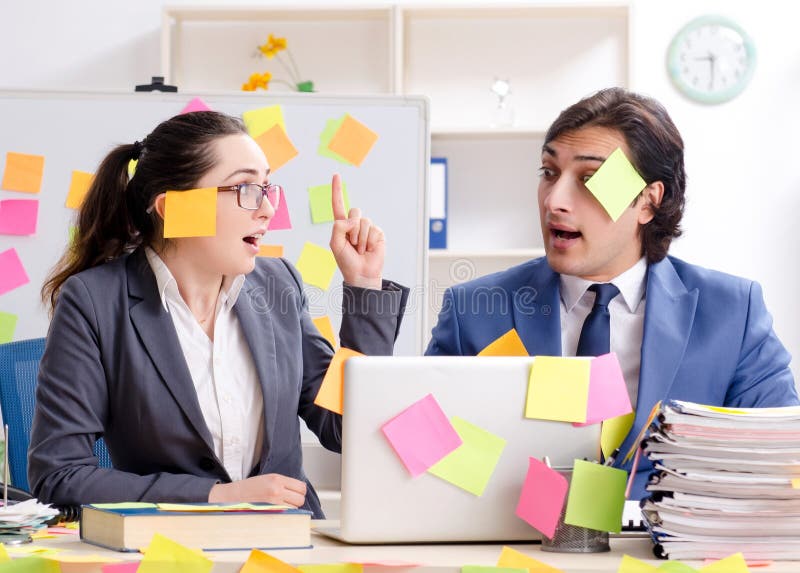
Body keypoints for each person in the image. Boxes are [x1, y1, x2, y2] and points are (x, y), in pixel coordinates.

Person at [28, 111, 408, 518]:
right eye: (245, 188)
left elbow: (343, 427)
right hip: (171, 551)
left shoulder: (278, 284)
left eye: (266, 188)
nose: (266, 211)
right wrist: (216, 496)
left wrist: (364, 286)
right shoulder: (94, 301)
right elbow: (59, 475)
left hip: (287, 544)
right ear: (172, 209)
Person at [425, 87, 798, 498]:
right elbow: (424, 462)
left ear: (647, 202)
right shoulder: (474, 312)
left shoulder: (732, 314)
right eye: (549, 173)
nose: (554, 200)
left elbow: (780, 464)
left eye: (589, 179)